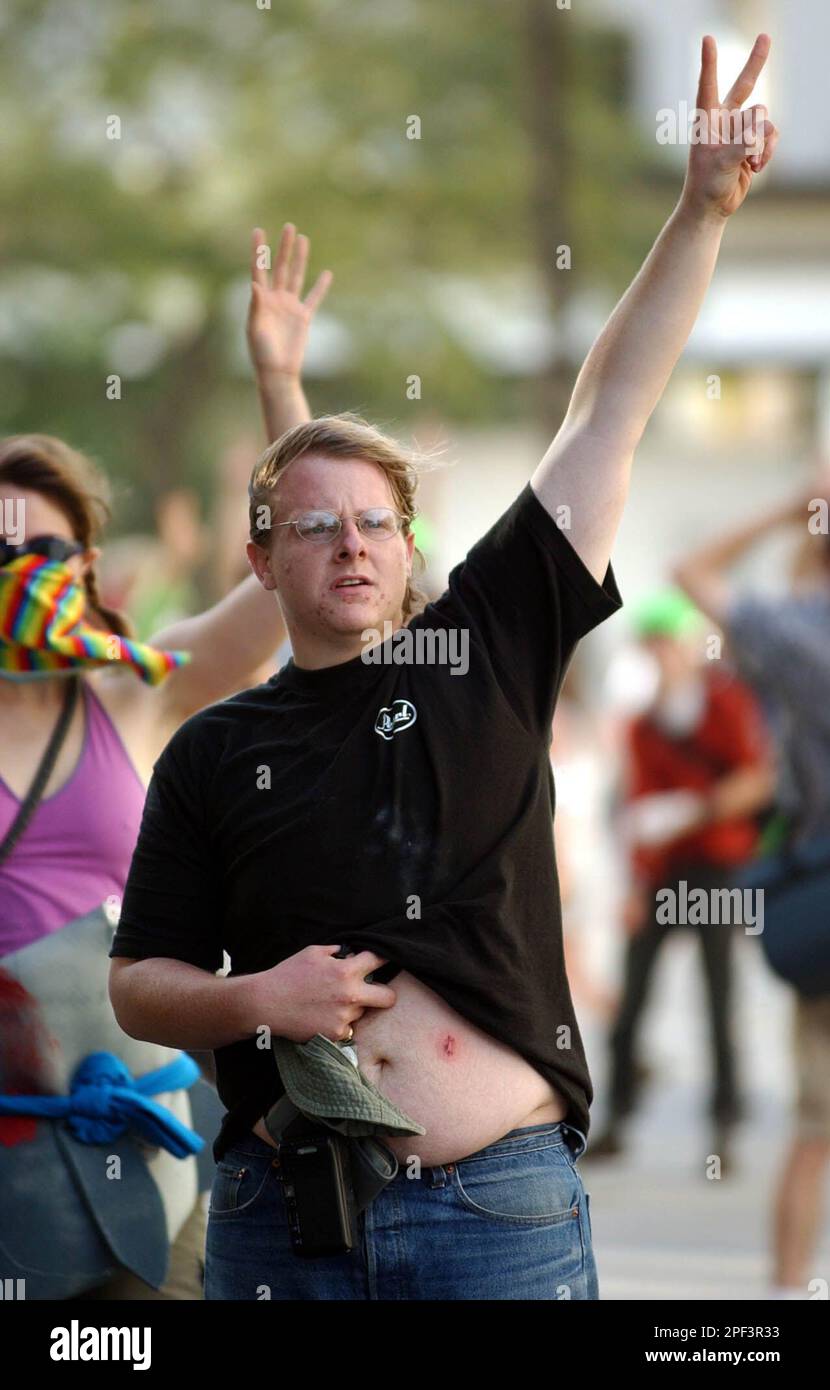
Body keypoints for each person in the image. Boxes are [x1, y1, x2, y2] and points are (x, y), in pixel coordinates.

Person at [109, 35, 778, 1300]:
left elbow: (608, 407)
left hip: (497, 1214)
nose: (351, 546)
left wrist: (696, 212)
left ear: (407, 542)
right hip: (283, 1216)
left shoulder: (482, 642)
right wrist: (261, 998)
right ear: (261, 560)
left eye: (376, 522)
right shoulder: (215, 750)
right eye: (314, 527)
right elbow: (141, 983)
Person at [0, 223, 331, 1299]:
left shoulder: (130, 689)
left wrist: (280, 384)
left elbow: (288, 580)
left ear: (87, 569)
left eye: (42, 554)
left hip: (143, 1125)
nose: (19, 575)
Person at [674, 479, 830, 1298]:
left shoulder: (798, 632)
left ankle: (786, 1292)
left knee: (815, 1133)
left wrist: (792, 503)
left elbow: (692, 570)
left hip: (823, 907)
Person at [586, 590, 772, 1169]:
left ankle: (724, 1129)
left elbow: (757, 782)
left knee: (718, 998)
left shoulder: (727, 704)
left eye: (670, 643)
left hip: (717, 868)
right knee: (635, 994)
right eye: (654, 645)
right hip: (664, 873)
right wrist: (637, 886)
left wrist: (692, 811)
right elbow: (639, 812)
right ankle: (617, 1118)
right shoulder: (644, 726)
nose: (662, 654)